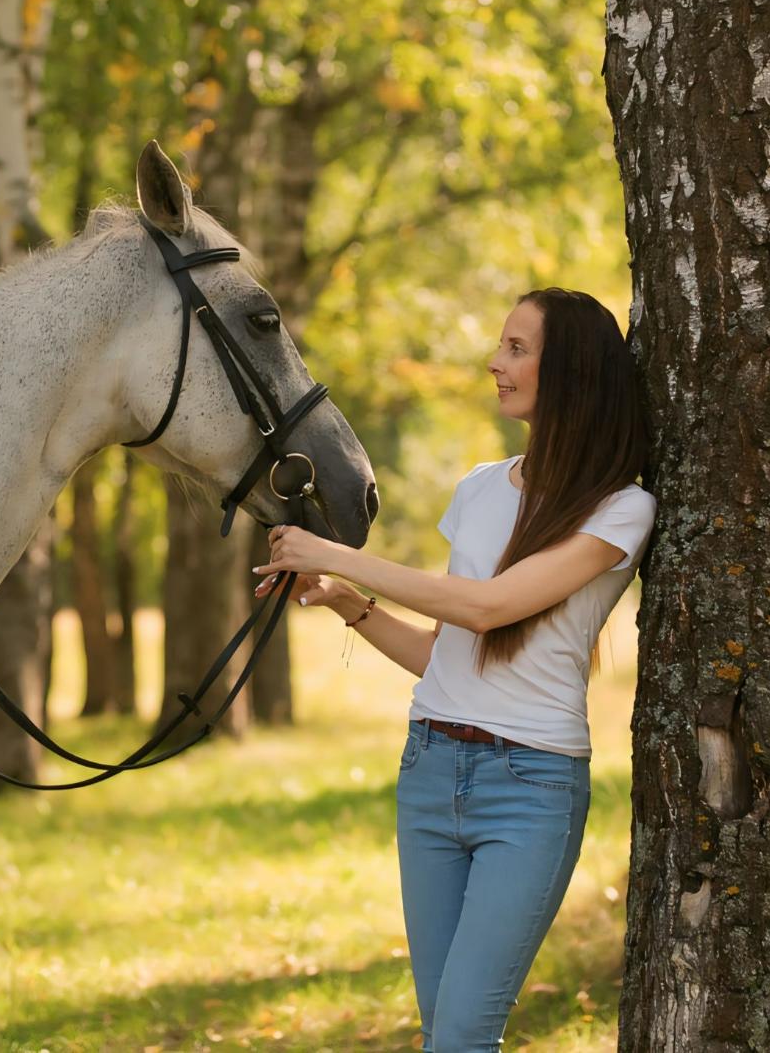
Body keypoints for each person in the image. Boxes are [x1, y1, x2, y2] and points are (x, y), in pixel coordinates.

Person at [252, 287, 656, 1052]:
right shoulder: (477, 488)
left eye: (516, 348)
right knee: (444, 1031)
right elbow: (444, 653)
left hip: (529, 788)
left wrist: (337, 553)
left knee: (464, 1035)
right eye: (501, 346)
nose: (494, 363)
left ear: (567, 370)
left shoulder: (620, 509)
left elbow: (488, 608)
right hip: (432, 769)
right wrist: (347, 603)